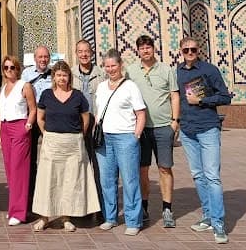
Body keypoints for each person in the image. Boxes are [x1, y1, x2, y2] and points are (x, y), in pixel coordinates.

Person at [31, 60, 99, 232]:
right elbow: (40, 118)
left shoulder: (77, 96)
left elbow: (85, 118)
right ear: (54, 77)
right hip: (52, 143)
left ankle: (66, 217)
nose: (62, 78)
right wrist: (45, 134)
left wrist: (79, 135)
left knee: (70, 181)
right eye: (58, 75)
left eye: (65, 75)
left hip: (73, 143)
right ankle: (44, 217)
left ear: (69, 77)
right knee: (48, 180)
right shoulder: (46, 94)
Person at [176, 36, 232, 244]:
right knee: (198, 175)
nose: (189, 53)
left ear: (198, 50)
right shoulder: (178, 72)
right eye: (186, 50)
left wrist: (202, 100)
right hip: (188, 130)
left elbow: (225, 97)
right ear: (180, 51)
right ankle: (208, 216)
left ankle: (218, 223)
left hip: (208, 128)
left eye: (193, 49)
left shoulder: (209, 70)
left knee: (212, 177)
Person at [126, 34, 180, 228]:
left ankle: (167, 209)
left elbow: (174, 96)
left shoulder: (166, 70)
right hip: (141, 129)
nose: (145, 50)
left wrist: (175, 122)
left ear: (153, 48)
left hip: (163, 126)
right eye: (142, 48)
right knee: (142, 169)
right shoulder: (131, 71)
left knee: (165, 168)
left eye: (148, 47)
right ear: (138, 51)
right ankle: (145, 207)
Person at [95, 51, 146, 236]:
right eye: (107, 66)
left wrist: (135, 136)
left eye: (113, 66)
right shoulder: (101, 87)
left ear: (120, 65)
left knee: (130, 179)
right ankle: (110, 217)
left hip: (126, 138)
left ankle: (133, 220)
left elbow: (141, 113)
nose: (110, 70)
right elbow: (98, 113)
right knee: (107, 180)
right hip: (105, 139)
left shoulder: (130, 87)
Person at [0, 55, 37, 226]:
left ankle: (20, 213)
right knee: (10, 171)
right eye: (6, 68)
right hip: (5, 129)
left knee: (19, 170)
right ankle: (13, 208)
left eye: (12, 67)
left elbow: (33, 109)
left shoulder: (25, 86)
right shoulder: (4, 87)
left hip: (19, 127)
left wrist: (27, 126)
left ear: (18, 69)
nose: (9, 71)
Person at [71, 39, 105, 218]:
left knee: (99, 167)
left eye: (86, 51)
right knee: (79, 167)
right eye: (80, 51)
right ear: (76, 53)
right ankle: (81, 208)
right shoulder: (70, 74)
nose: (84, 54)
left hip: (97, 127)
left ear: (92, 53)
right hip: (77, 127)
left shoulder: (102, 74)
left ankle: (99, 207)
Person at [21, 45, 52, 210]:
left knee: (50, 157)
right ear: (35, 58)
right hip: (32, 119)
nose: (43, 60)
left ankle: (48, 193)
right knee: (30, 157)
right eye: (40, 57)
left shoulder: (54, 74)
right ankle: (31, 195)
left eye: (46, 57)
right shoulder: (26, 74)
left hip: (49, 119)